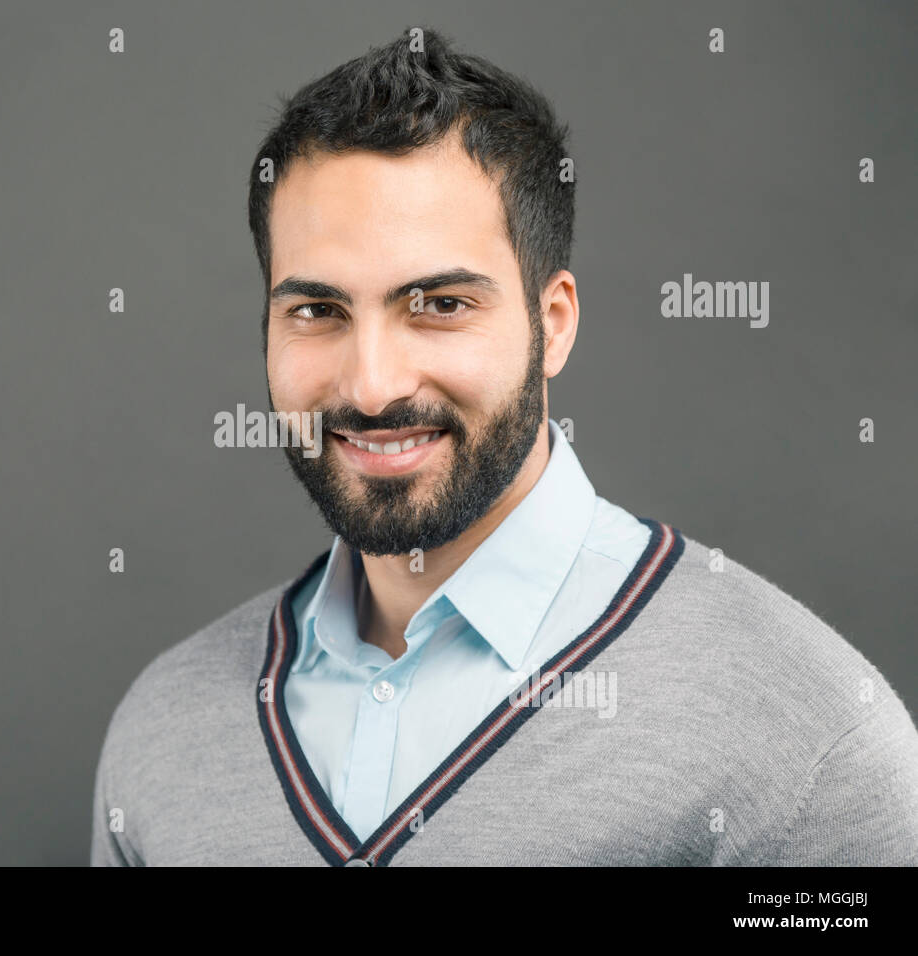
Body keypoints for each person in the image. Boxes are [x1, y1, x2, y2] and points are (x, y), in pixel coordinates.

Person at [89, 28, 918, 866]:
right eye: (318, 311)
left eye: (440, 304)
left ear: (551, 326)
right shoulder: (163, 730)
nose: (372, 387)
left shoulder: (810, 748)